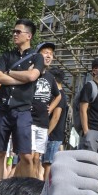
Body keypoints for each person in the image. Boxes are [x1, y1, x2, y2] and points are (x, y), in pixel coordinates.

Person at [0, 19, 43, 180]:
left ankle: (27, 188)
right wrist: (23, 78)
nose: (14, 34)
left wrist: (9, 72)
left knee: (26, 155)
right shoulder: (6, 55)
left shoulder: (37, 57)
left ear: (29, 36)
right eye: (14, 31)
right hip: (1, 110)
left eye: (18, 32)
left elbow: (32, 76)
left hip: (22, 110)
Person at [29, 41, 61, 177]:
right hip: (29, 120)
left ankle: (33, 183)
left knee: (37, 158)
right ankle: (25, 183)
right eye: (45, 53)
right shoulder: (30, 73)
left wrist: (50, 108)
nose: (48, 56)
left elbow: (58, 96)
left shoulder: (50, 77)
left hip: (43, 123)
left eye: (51, 54)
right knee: (29, 156)